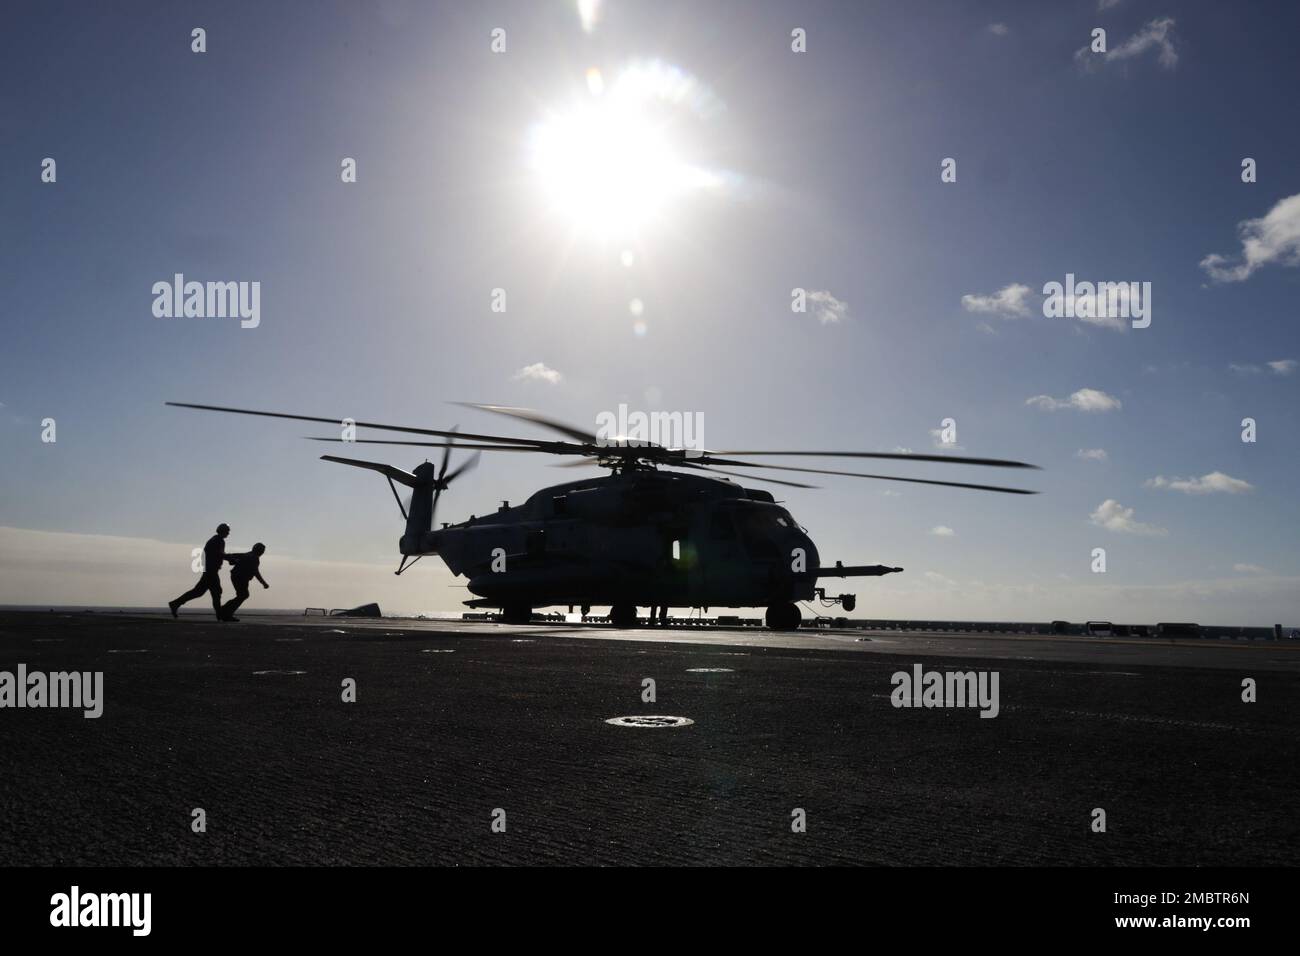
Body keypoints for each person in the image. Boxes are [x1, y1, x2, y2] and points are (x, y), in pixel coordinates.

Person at [169, 523, 231, 620]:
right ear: (223, 531)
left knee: (199, 592)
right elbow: (219, 554)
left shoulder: (214, 540)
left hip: (209, 570)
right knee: (216, 592)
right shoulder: (218, 541)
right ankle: (220, 614)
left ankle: (175, 603)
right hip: (211, 571)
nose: (228, 533)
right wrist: (231, 558)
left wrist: (228, 558)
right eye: (227, 531)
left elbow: (218, 554)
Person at [219, 543, 269, 622]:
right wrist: (263, 583)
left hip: (238, 577)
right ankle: (225, 612)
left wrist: (230, 559)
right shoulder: (254, 558)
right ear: (258, 551)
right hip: (240, 578)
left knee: (242, 595)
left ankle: (224, 611)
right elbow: (256, 572)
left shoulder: (248, 555)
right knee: (243, 595)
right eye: (262, 551)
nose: (262, 553)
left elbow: (231, 556)